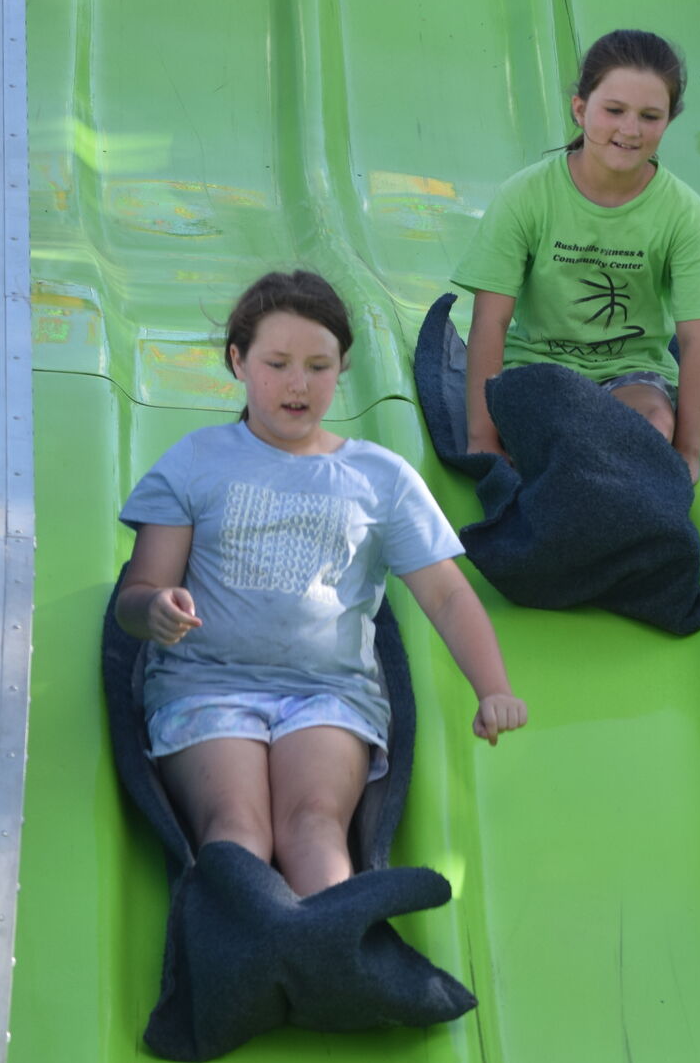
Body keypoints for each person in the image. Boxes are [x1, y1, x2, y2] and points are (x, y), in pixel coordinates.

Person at [115, 270, 528, 897]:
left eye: (318, 365)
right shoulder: (197, 461)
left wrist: (492, 688)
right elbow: (139, 592)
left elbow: (446, 594)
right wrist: (156, 609)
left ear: (343, 367)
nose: (298, 384)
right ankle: (237, 968)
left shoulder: (378, 477)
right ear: (238, 361)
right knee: (239, 831)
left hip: (329, 695)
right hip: (207, 687)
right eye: (277, 363)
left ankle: (333, 965)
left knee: (312, 827)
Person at [453, 29, 700, 484]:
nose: (630, 129)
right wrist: (482, 437)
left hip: (631, 374)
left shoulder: (685, 213)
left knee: (649, 430)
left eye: (650, 116)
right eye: (614, 110)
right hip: (538, 367)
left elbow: (697, 340)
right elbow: (491, 321)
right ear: (581, 109)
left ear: (668, 122)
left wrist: (688, 452)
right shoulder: (525, 196)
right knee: (547, 430)